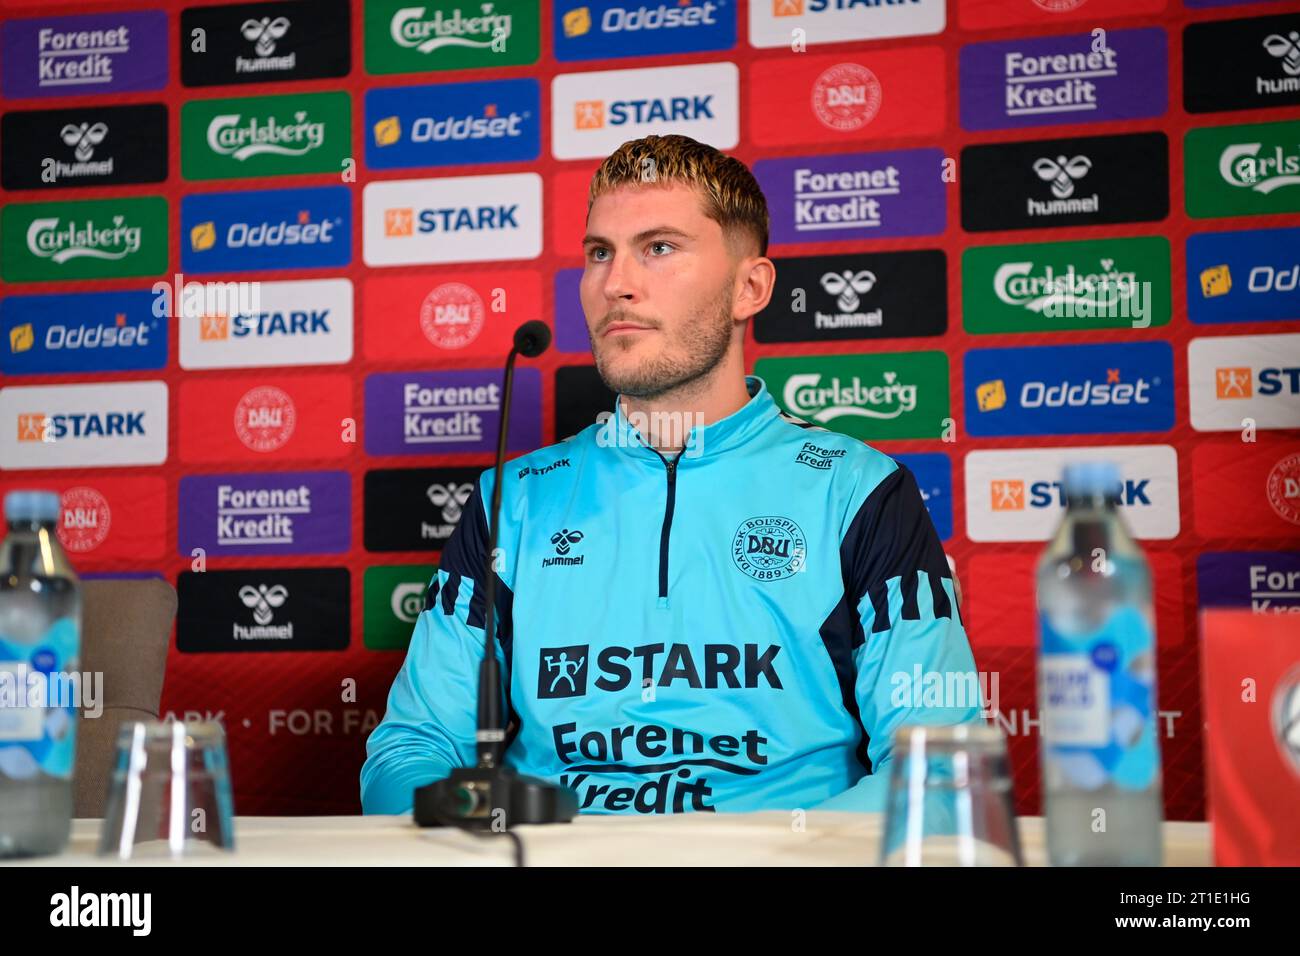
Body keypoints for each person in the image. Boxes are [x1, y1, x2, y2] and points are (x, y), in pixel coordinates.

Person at [361, 134, 981, 816]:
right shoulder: (512, 499)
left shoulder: (857, 491)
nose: (616, 283)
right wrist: (481, 827)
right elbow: (410, 747)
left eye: (659, 247)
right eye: (601, 252)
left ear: (751, 287)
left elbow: (939, 772)